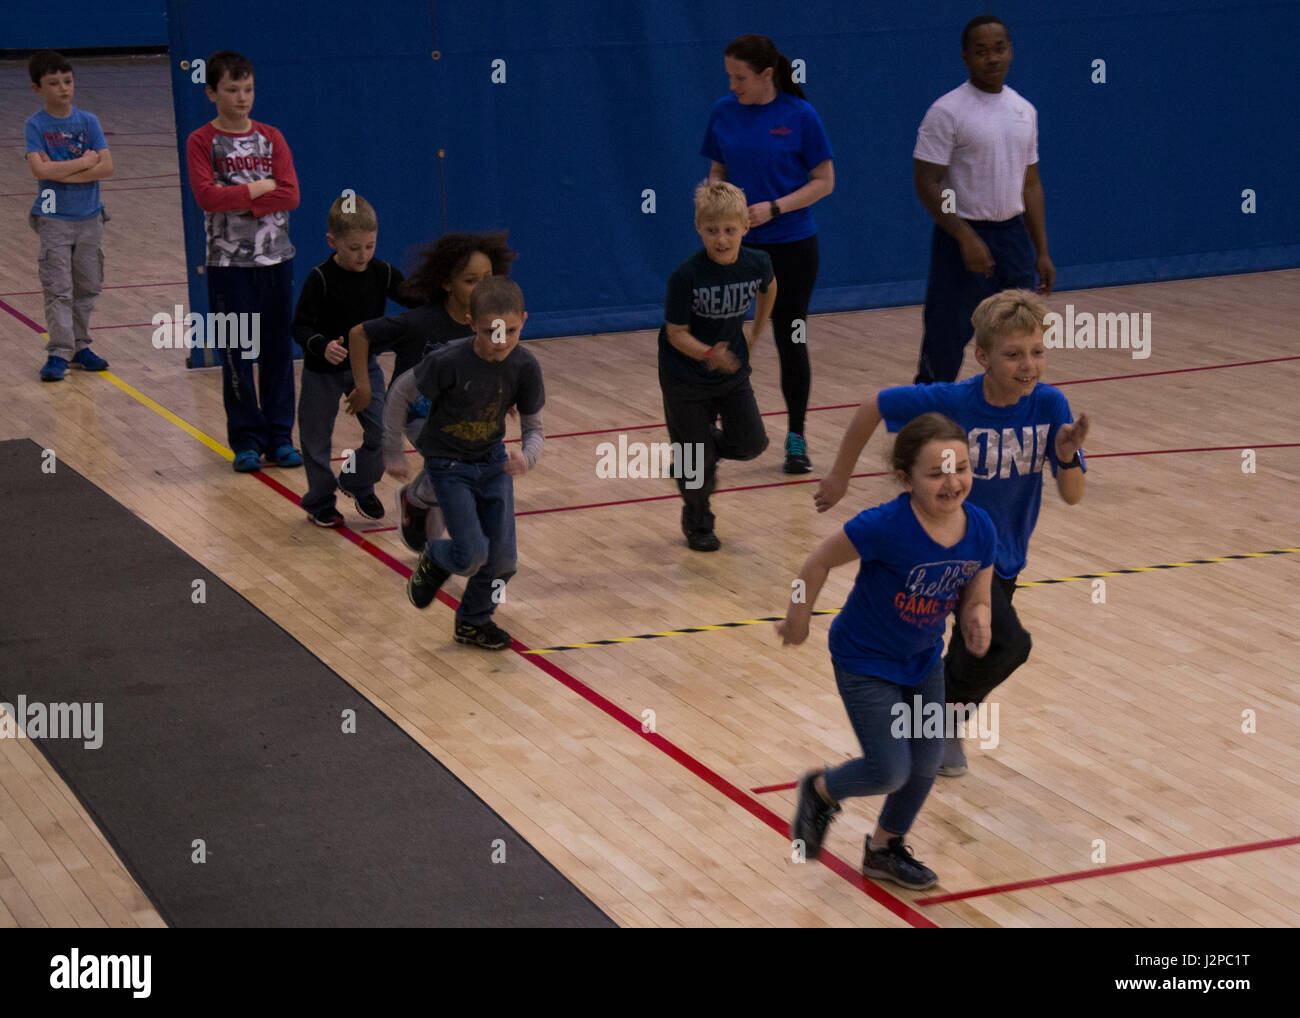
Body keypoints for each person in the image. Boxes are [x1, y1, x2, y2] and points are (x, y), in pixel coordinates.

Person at [815, 289, 1089, 776]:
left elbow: (1073, 494)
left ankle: (938, 723)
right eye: (1013, 354)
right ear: (982, 356)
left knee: (976, 645)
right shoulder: (953, 401)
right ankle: (936, 722)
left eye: (1037, 353)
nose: (1028, 365)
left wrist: (1065, 452)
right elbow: (875, 405)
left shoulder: (1049, 406)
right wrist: (840, 475)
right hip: (949, 551)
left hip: (1003, 556)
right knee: (1008, 643)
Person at [782, 413, 995, 890]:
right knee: (889, 769)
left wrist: (978, 617)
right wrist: (798, 617)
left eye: (960, 467)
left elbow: (977, 593)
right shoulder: (886, 525)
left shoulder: (980, 528)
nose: (952, 481)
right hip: (864, 661)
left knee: (925, 762)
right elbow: (817, 561)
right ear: (905, 479)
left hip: (921, 661)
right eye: (936, 472)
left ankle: (883, 849)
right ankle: (820, 791)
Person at [351, 277, 544, 651]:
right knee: (471, 555)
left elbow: (535, 427)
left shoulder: (524, 365)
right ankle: (437, 556)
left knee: (503, 561)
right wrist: (392, 451)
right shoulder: (448, 360)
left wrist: (527, 455)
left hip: (493, 464)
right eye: (490, 332)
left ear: (524, 319)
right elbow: (399, 395)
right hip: (449, 465)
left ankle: (472, 622)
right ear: (471, 322)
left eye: (511, 330)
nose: (501, 341)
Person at [702, 32, 834, 472]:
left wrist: (776, 207)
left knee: (789, 336)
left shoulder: (801, 116)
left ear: (766, 75)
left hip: (792, 248)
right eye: (729, 77)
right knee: (720, 336)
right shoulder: (723, 113)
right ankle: (714, 430)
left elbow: (824, 181)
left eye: (740, 77)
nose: (733, 86)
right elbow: (717, 171)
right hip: (735, 249)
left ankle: (796, 437)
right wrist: (714, 198)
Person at [344, 231, 515, 548]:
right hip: (417, 414)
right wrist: (363, 385)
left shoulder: (490, 321)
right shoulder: (420, 322)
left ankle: (418, 507)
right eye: (470, 281)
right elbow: (358, 334)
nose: (482, 289)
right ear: (448, 284)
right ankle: (430, 509)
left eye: (488, 279)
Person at [911, 15, 1054, 385]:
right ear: (965, 57)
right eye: (981, 51)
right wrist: (964, 236)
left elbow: (1031, 184)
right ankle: (925, 428)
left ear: (1011, 51)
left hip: (1013, 239)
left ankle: (1012, 420)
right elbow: (928, 183)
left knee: (1020, 339)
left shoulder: (1025, 110)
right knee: (946, 339)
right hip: (961, 237)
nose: (992, 58)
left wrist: (1041, 250)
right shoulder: (947, 111)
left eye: (999, 48)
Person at [185, 50, 301, 472]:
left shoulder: (272, 137)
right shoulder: (202, 141)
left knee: (276, 352)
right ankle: (246, 439)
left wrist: (242, 201)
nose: (241, 97)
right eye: (232, 89)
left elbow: (289, 194)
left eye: (247, 88)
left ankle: (280, 437)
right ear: (212, 92)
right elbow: (206, 197)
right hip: (227, 267)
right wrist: (258, 189)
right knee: (237, 351)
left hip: (275, 261)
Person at [658, 180, 775, 551]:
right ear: (698, 229)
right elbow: (676, 333)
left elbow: (769, 287)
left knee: (752, 443)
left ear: (745, 226)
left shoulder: (757, 262)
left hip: (731, 372)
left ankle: (696, 451)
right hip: (685, 376)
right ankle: (698, 522)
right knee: (697, 472)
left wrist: (756, 332)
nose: (721, 239)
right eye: (712, 231)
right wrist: (710, 354)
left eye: (729, 230)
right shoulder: (686, 276)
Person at [291, 193, 416, 527]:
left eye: (370, 246)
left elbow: (415, 300)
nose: (363, 255)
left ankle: (357, 481)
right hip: (322, 373)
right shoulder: (320, 279)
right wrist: (321, 345)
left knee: (381, 431)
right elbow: (300, 326)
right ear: (333, 242)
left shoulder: (383, 273)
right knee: (316, 440)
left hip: (365, 368)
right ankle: (320, 501)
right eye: (354, 248)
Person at [24, 49, 115, 382]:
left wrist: (60, 170)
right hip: (51, 212)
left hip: (90, 215)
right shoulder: (35, 125)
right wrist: (83, 162)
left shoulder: (88, 121)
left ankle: (81, 347)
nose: (63, 88)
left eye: (67, 81)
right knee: (58, 288)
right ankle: (59, 352)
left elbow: (107, 167)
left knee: (87, 285)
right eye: (53, 83)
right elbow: (40, 170)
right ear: (37, 88)